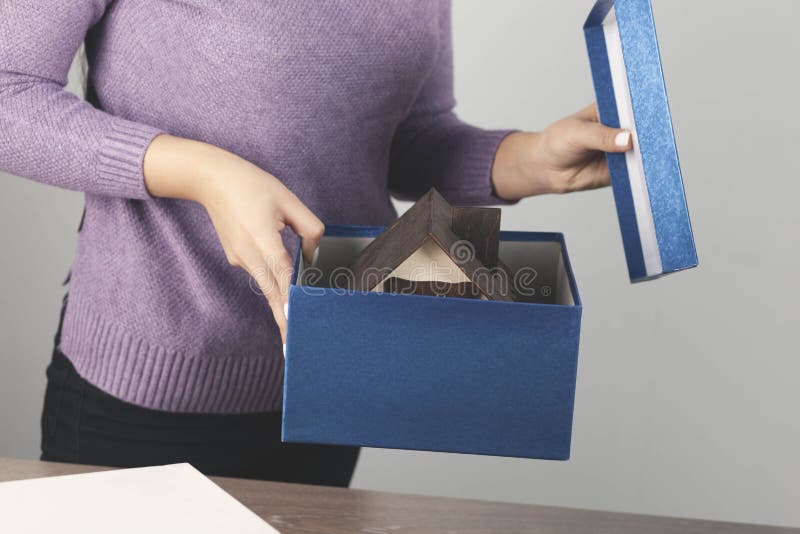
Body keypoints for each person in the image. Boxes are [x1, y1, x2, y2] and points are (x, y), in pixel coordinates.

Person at [0, 1, 632, 487]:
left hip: (330, 377)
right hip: (150, 387)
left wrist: (526, 158)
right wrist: (204, 173)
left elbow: (407, 136)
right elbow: (8, 91)